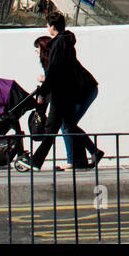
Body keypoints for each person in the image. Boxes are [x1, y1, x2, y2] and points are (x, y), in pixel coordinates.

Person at [27, 13, 104, 170]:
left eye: (47, 25)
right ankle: (81, 159)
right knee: (66, 126)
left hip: (75, 91)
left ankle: (46, 160)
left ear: (53, 26)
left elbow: (56, 71)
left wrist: (43, 90)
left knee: (63, 126)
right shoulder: (62, 43)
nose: (47, 28)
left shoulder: (59, 44)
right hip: (68, 92)